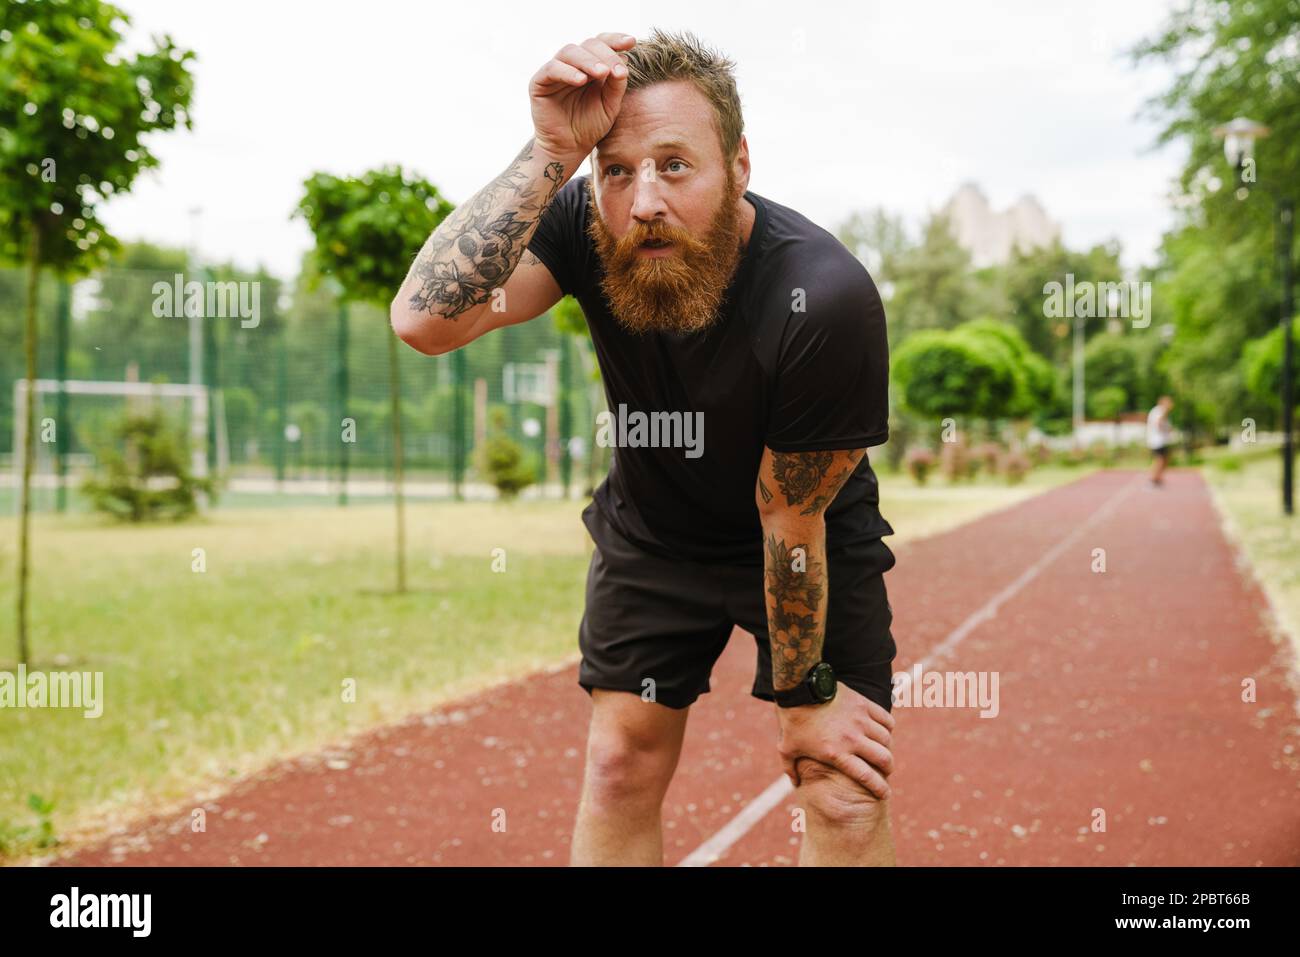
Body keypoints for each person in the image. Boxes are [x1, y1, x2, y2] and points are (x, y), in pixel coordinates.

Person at [390, 29, 897, 867]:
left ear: (739, 163)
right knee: (619, 764)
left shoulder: (825, 294)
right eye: (617, 170)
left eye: (674, 164)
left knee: (838, 787)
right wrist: (553, 150)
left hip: (801, 538)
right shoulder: (585, 224)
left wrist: (806, 696)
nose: (644, 201)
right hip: (655, 532)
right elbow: (424, 320)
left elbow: (788, 512)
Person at [1147, 395, 1174, 486]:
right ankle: (1153, 479)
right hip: (1157, 441)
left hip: (1162, 440)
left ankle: (1158, 478)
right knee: (1160, 460)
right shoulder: (1159, 411)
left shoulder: (1160, 411)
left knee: (1164, 459)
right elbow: (1159, 423)